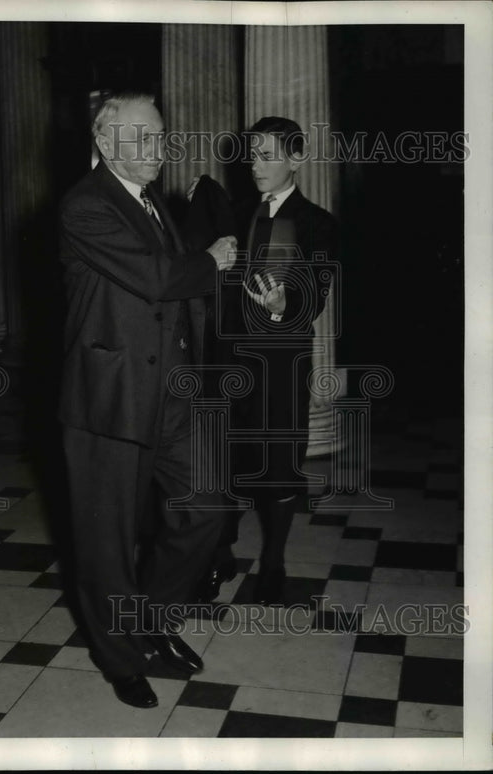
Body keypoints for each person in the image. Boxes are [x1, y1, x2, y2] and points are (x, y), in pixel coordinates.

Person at [58, 92, 237, 709]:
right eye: (143, 137)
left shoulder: (149, 197)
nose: (159, 148)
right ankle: (121, 659)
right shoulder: (85, 205)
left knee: (207, 505)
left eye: (161, 136)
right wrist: (210, 261)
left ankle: (150, 622)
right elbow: (158, 278)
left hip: (170, 391)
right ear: (106, 143)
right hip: (109, 399)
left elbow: (172, 297)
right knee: (106, 542)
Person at [192, 116, 339, 606]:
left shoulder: (317, 222)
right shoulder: (234, 215)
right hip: (228, 362)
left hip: (278, 365)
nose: (258, 165)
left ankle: (274, 561)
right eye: (254, 154)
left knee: (278, 465)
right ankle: (220, 556)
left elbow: (313, 295)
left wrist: (283, 307)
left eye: (269, 155)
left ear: (296, 159)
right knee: (224, 462)